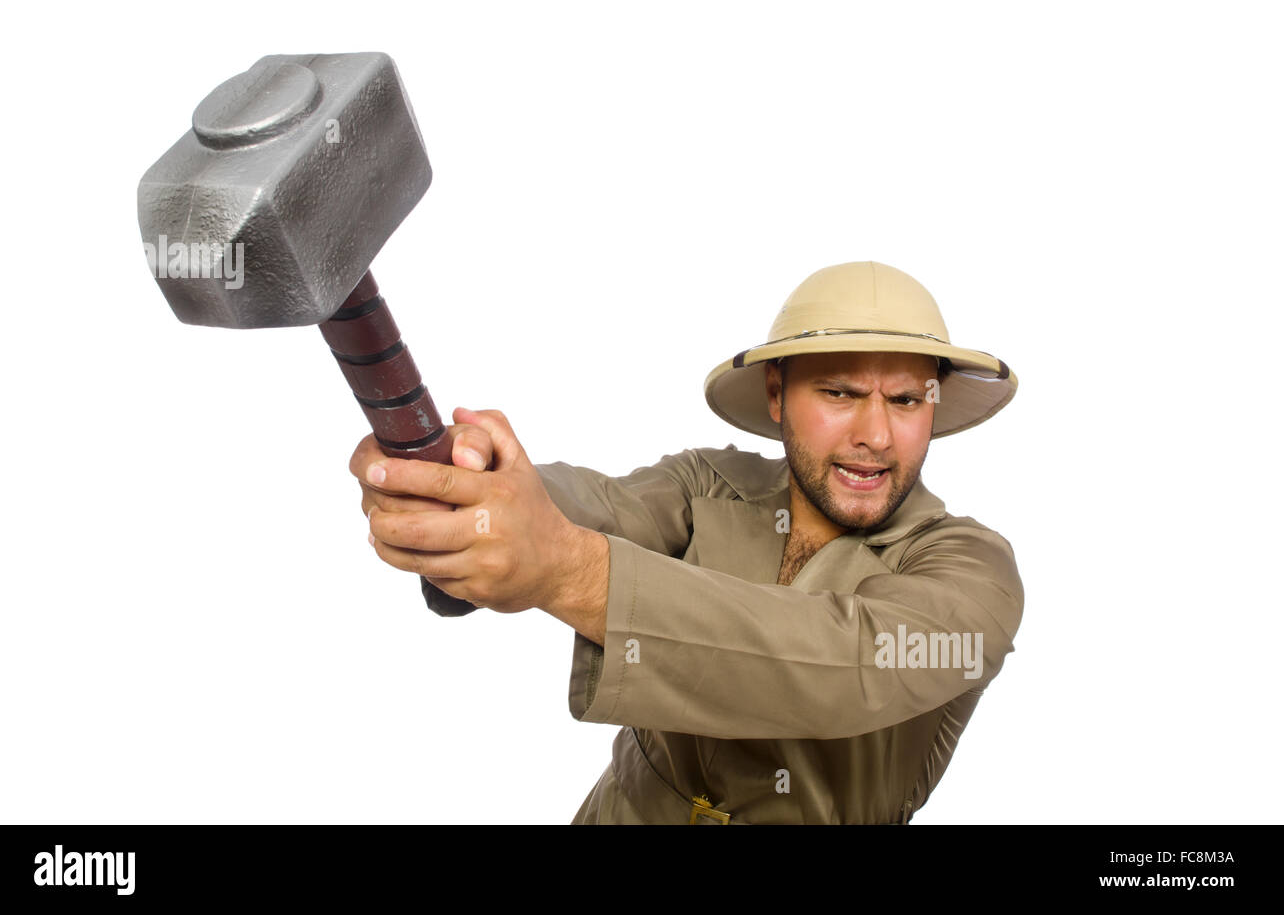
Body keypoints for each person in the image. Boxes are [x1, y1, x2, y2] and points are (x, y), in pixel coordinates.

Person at [351, 261, 1024, 824]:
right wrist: (472, 484)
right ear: (776, 394)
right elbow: (597, 505)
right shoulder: (709, 482)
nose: (876, 433)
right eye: (840, 391)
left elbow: (839, 660)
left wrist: (566, 569)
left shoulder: (973, 574)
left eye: (906, 400)